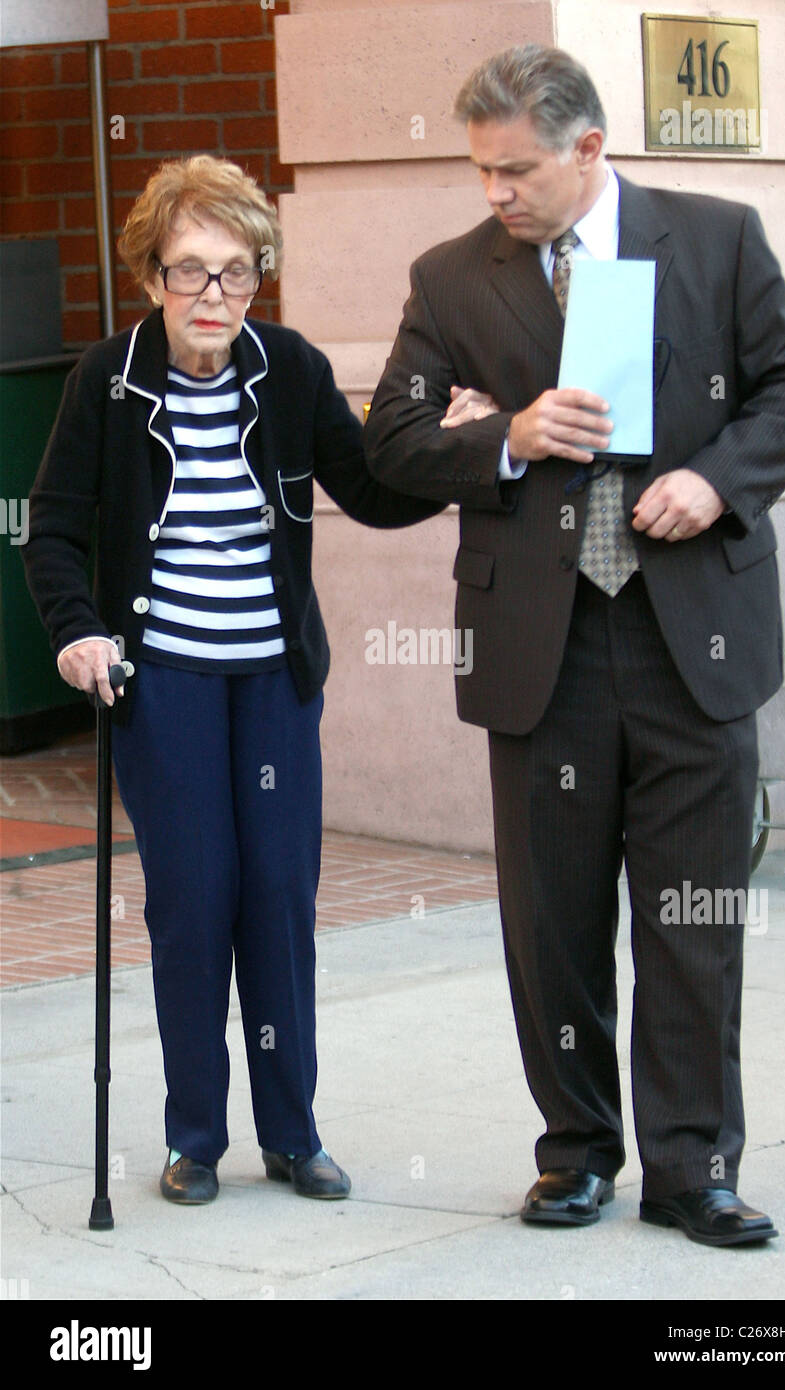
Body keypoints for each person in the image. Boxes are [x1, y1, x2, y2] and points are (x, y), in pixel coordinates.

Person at [364, 46, 785, 1245]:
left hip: (693, 638)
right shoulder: (452, 277)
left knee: (692, 913)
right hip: (541, 646)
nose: (493, 195)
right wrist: (507, 438)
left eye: (514, 170)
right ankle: (574, 1153)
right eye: (478, 171)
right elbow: (392, 446)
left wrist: (716, 484)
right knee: (552, 921)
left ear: (587, 148)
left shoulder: (715, 238)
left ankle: (692, 1167)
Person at [23, 154, 450, 1206]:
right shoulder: (107, 382)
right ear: (150, 274)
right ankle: (195, 1135)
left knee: (277, 899)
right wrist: (78, 633)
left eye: (234, 272)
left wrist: (455, 445)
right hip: (161, 679)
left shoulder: (291, 371)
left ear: (259, 276)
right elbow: (53, 531)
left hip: (272, 679)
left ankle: (293, 1131)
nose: (211, 296)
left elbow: (372, 488)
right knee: (193, 900)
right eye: (188, 272)